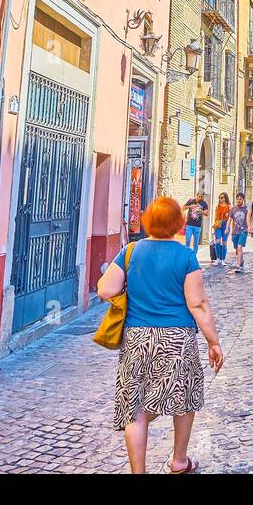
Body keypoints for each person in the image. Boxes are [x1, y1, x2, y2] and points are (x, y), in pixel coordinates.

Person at [97, 197, 224, 474]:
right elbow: (198, 304)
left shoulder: (130, 251)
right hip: (177, 338)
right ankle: (179, 461)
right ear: (179, 225)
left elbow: (105, 289)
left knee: (135, 408)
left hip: (137, 338)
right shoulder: (185, 257)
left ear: (148, 222)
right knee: (183, 398)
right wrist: (213, 342)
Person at [228, 192, 249, 274]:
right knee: (237, 249)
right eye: (237, 199)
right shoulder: (233, 209)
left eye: (240, 199)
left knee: (240, 247)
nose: (239, 200)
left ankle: (238, 265)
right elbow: (230, 219)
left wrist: (249, 228)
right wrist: (227, 228)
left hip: (244, 230)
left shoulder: (247, 209)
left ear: (243, 199)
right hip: (235, 232)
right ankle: (241, 261)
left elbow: (249, 218)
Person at [212, 192, 231, 266]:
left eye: (222, 197)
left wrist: (229, 228)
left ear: (225, 198)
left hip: (226, 225)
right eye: (219, 197)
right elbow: (215, 218)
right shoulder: (217, 207)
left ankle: (223, 259)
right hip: (218, 225)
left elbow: (231, 218)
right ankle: (218, 258)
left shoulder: (229, 206)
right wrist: (214, 229)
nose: (220, 199)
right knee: (217, 241)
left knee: (224, 242)